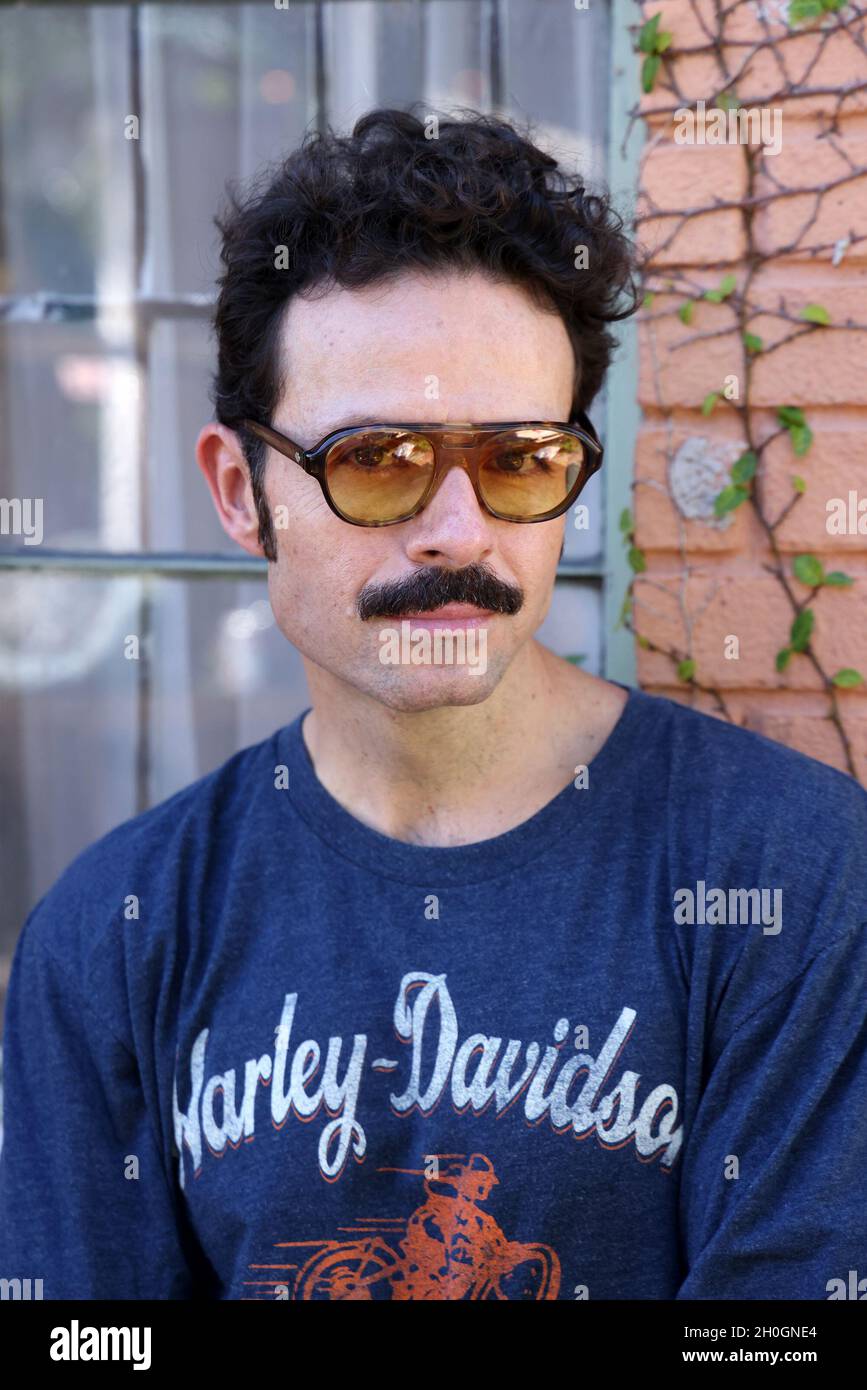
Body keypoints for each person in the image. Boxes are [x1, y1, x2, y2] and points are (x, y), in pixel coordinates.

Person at [1, 108, 865, 1301]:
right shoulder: (116, 934)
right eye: (378, 459)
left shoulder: (791, 873)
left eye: (518, 460)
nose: (460, 533)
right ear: (241, 493)